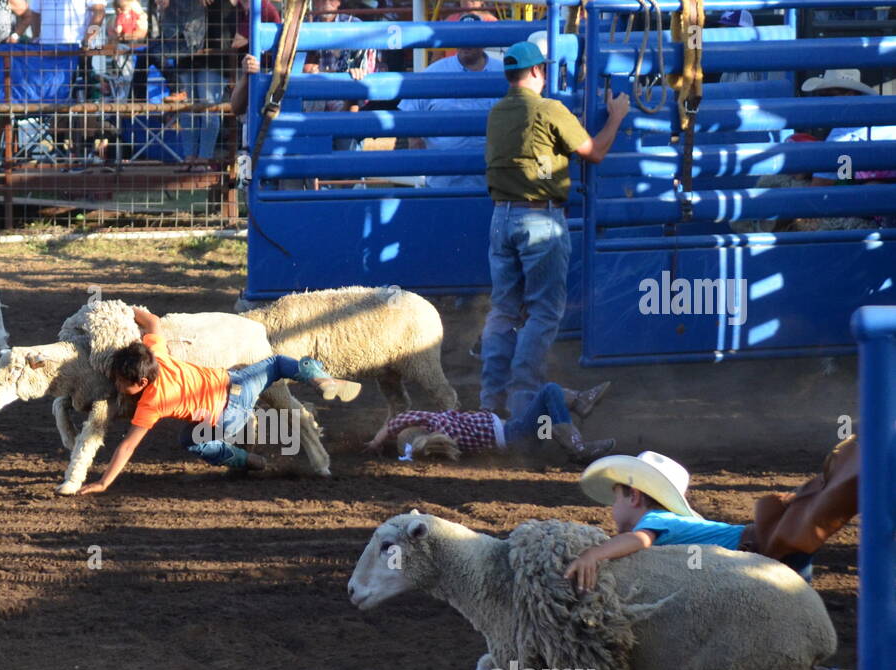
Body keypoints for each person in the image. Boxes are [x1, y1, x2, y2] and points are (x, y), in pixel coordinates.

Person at [479, 40, 629, 419]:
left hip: (502, 217)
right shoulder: (549, 110)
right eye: (542, 69)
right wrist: (616, 117)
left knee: (503, 310)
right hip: (539, 219)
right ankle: (524, 398)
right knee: (544, 312)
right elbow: (593, 152)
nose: (544, 75)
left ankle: (491, 403)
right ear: (534, 72)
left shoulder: (497, 112)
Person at [78, 306, 362, 493]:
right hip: (234, 390)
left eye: (120, 382)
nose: (115, 384)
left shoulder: (152, 402)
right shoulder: (157, 356)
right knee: (276, 363)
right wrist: (125, 311)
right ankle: (320, 378)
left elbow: (127, 446)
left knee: (192, 441)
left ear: (141, 382)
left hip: (226, 411)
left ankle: (248, 461)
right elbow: (151, 320)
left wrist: (104, 482)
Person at [562, 443, 858, 591]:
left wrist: (594, 554)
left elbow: (638, 540)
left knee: (818, 504)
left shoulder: (656, 520)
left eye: (616, 497)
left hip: (761, 547)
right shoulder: (676, 524)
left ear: (635, 496)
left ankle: (853, 469)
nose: (612, 509)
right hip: (772, 550)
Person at [363, 381, 613, 464]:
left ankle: (577, 413)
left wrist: (383, 446)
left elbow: (404, 436)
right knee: (549, 390)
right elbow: (396, 421)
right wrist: (375, 442)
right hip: (516, 433)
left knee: (542, 401)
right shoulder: (430, 421)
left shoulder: (440, 445)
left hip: (522, 441)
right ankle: (577, 445)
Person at [399, 21, 503, 193]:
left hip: (493, 183)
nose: (465, 42)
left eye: (471, 36)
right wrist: (414, 140)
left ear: (483, 41)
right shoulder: (434, 72)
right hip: (444, 181)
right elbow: (409, 115)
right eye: (460, 35)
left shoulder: (503, 72)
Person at [153, 0, 233, 164]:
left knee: (209, 106)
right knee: (186, 108)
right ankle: (189, 157)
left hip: (214, 49)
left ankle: (204, 158)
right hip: (185, 46)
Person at [302, 0, 374, 155]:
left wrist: (356, 70)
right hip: (317, 98)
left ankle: (350, 174)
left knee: (352, 97)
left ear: (339, 2)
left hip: (345, 97)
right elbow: (305, 68)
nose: (325, 2)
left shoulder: (355, 25)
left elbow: (364, 66)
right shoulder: (306, 26)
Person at [27, 0, 104, 45]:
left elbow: (100, 13)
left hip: (78, 49)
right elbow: (35, 13)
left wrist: (88, 40)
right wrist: (36, 37)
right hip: (47, 48)